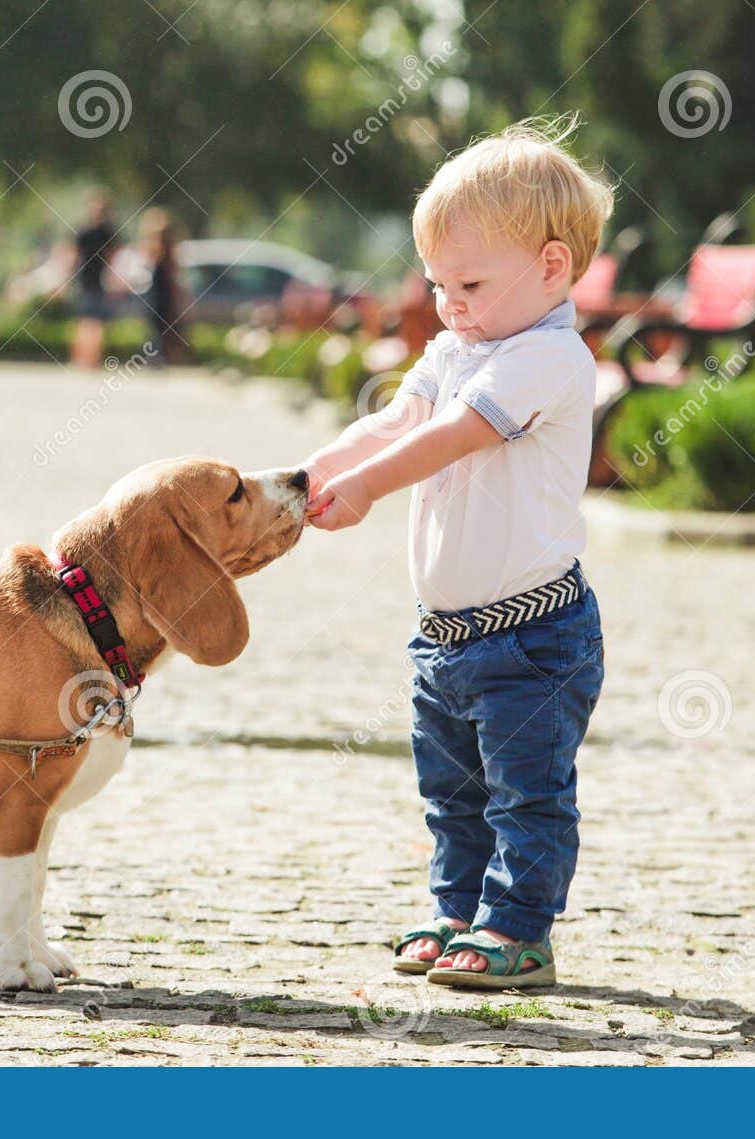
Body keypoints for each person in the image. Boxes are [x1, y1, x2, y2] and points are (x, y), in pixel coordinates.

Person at [300, 115, 613, 989]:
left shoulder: (550, 358)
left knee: (526, 792)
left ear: (551, 266)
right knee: (453, 792)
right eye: (438, 283)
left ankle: (517, 926)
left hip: (533, 635)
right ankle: (457, 906)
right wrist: (311, 473)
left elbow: (454, 435)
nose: (450, 304)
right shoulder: (455, 348)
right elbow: (397, 421)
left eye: (469, 282)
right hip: (443, 636)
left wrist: (367, 489)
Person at [70, 192, 117, 369]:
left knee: (90, 321)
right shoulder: (105, 232)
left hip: (93, 280)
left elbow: (75, 256)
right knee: (91, 321)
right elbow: (112, 257)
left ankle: (87, 359)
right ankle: (88, 359)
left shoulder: (88, 231)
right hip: (89, 280)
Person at [137, 208, 187, 366]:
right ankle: (159, 356)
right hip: (161, 293)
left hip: (157, 294)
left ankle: (156, 356)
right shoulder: (167, 248)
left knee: (157, 327)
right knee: (161, 326)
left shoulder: (156, 249)